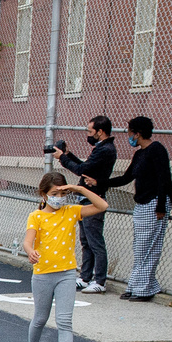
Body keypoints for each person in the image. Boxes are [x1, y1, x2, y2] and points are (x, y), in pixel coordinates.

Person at [21, 172, 109, 342]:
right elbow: (28, 240)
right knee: (40, 318)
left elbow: (102, 206)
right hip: (43, 274)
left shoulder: (72, 212)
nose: (59, 198)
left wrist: (79, 189)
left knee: (64, 320)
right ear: (44, 194)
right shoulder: (37, 216)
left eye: (62, 193)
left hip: (67, 273)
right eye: (54, 194)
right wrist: (30, 251)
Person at [106, 116, 172, 301]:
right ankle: (137, 284)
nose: (128, 136)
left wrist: (161, 206)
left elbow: (163, 178)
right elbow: (127, 177)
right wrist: (101, 183)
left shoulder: (157, 150)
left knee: (149, 246)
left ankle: (143, 289)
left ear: (137, 133)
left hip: (154, 203)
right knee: (140, 247)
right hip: (142, 203)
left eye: (130, 132)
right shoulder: (139, 154)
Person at [53, 115, 117, 294]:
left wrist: (63, 159)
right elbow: (85, 167)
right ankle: (85, 276)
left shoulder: (106, 150)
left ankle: (99, 280)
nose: (88, 135)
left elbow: (82, 169)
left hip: (93, 199)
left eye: (90, 131)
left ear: (100, 131)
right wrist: (67, 155)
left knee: (95, 241)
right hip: (86, 198)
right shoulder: (100, 149)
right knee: (85, 240)